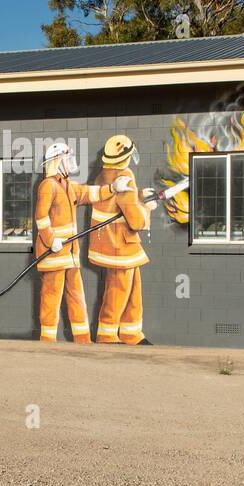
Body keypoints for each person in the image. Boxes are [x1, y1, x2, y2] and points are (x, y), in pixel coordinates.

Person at [34, 142, 128, 343]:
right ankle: (47, 339)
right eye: (66, 158)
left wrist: (113, 188)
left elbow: (89, 193)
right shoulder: (47, 186)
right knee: (52, 296)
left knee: (76, 295)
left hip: (69, 253)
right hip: (54, 254)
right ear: (57, 161)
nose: (69, 162)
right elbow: (41, 218)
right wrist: (51, 241)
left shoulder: (68, 186)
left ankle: (82, 338)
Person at [87, 134, 156, 345]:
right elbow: (134, 220)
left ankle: (131, 332)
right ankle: (107, 333)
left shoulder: (104, 175)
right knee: (119, 288)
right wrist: (147, 207)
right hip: (120, 244)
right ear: (125, 156)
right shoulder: (125, 176)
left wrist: (141, 193)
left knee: (132, 286)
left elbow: (120, 199)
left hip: (109, 242)